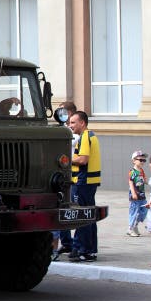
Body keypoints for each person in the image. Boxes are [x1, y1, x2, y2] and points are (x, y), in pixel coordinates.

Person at [67, 111, 101, 262]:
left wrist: (67, 159)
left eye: (73, 122)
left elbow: (83, 160)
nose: (70, 125)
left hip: (82, 182)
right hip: (89, 182)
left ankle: (81, 249)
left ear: (82, 123)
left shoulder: (85, 137)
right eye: (70, 122)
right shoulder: (91, 135)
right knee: (89, 215)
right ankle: (90, 250)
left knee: (81, 216)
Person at [56, 102, 78, 255]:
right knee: (61, 208)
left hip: (72, 177)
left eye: (63, 110)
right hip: (60, 176)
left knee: (67, 208)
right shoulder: (63, 130)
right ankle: (66, 242)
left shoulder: (74, 135)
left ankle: (71, 243)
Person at [127, 150, 148, 237]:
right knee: (134, 212)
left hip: (142, 195)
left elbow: (145, 180)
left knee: (144, 211)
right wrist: (133, 193)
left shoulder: (142, 171)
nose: (142, 162)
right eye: (140, 160)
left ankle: (135, 225)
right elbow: (131, 183)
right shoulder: (132, 172)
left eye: (144, 160)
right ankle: (130, 228)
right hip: (135, 196)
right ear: (134, 160)